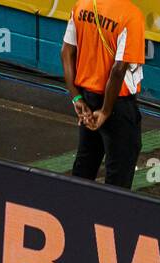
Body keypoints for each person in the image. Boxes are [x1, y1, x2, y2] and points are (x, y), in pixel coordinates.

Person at [61, 0, 145, 189]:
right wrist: (106, 111)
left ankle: (74, 212)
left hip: (87, 100)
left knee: (85, 164)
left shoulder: (82, 6)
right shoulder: (131, 16)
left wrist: (76, 97)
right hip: (117, 105)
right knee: (119, 175)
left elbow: (66, 52)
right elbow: (118, 69)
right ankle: (110, 217)